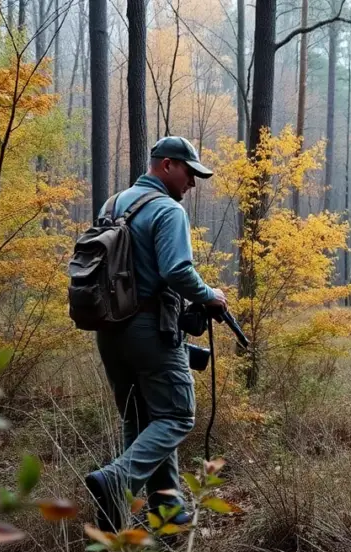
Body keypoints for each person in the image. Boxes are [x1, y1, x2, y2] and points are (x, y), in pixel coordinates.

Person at [85, 136, 227, 532]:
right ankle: (116, 481)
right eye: (189, 173)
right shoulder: (167, 210)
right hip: (149, 330)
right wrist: (210, 295)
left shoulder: (112, 205)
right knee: (178, 415)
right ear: (166, 165)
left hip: (109, 331)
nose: (192, 184)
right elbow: (177, 271)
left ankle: (168, 513)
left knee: (141, 418)